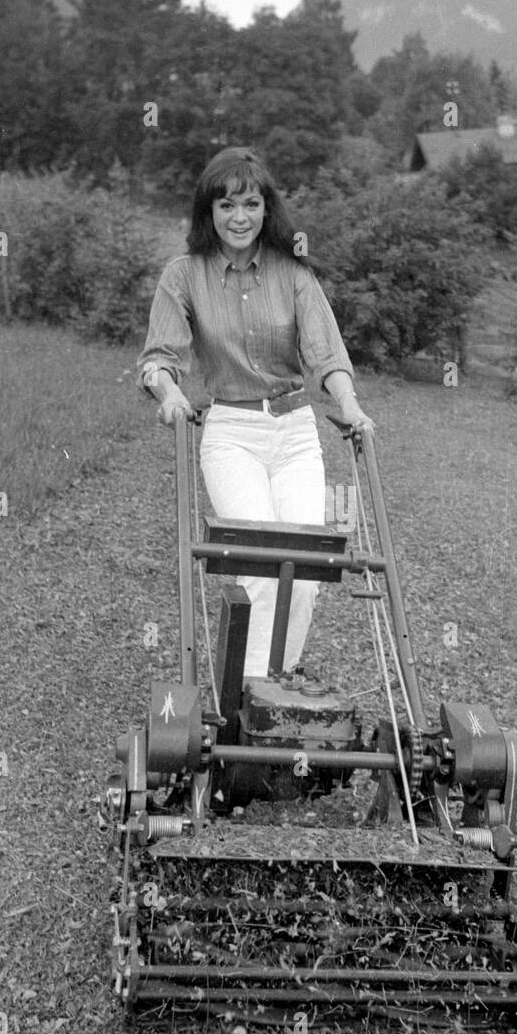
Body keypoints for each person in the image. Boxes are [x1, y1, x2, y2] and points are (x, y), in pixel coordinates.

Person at [136, 145, 374, 679]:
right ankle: (252, 696)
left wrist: (351, 406)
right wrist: (169, 393)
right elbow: (159, 357)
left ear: (267, 208)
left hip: (294, 432)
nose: (238, 218)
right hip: (231, 434)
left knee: (308, 575)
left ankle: (270, 691)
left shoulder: (293, 274)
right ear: (208, 212)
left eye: (249, 204)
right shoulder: (183, 276)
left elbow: (326, 354)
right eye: (225, 206)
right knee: (263, 571)